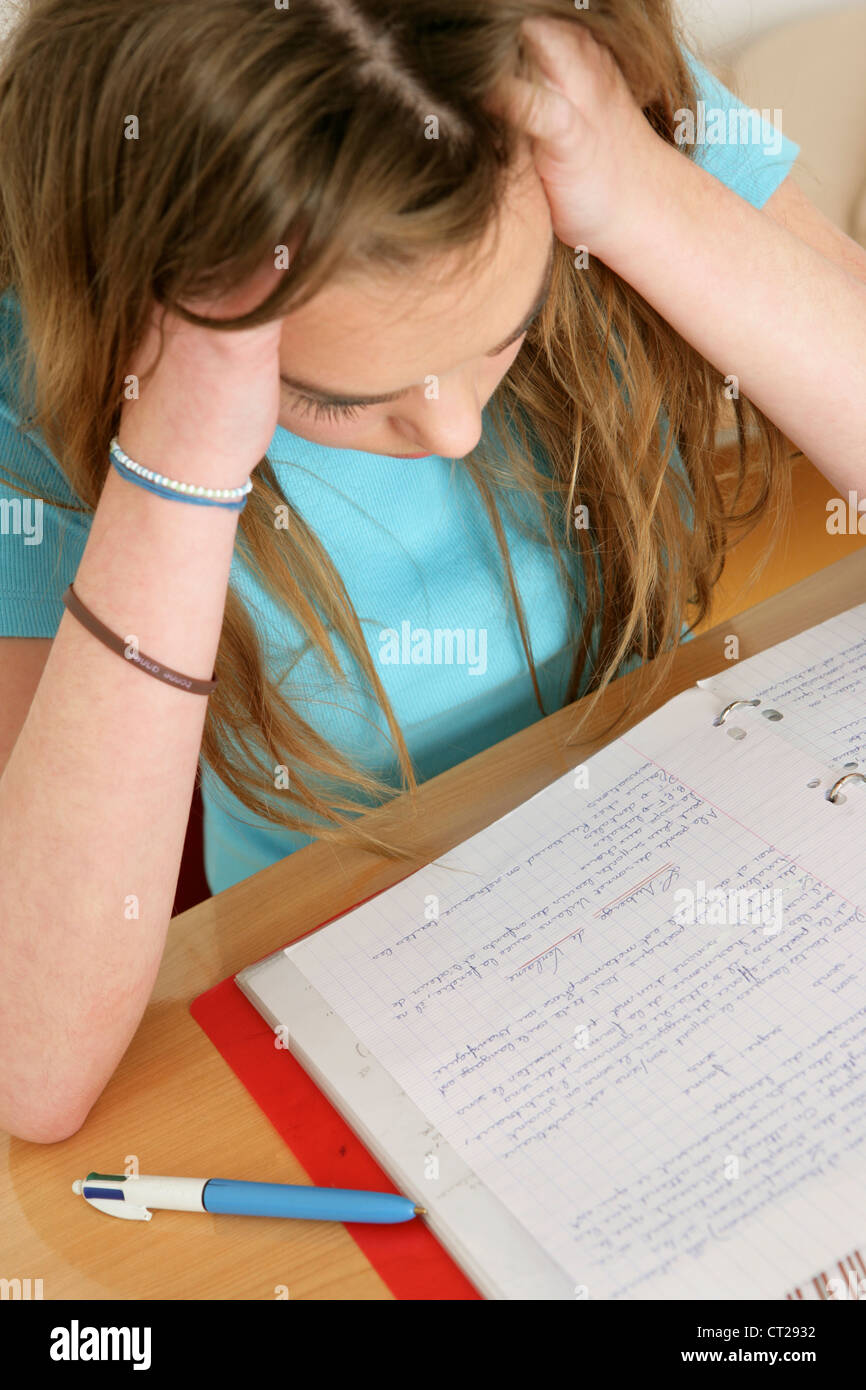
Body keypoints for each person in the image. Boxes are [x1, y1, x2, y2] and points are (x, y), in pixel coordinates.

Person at [1, 0, 865, 1143]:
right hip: (381, 984)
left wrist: (642, 193)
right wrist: (177, 460)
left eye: (499, 330)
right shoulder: (44, 380)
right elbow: (31, 1071)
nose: (453, 426)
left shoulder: (572, 123)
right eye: (331, 400)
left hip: (688, 877)